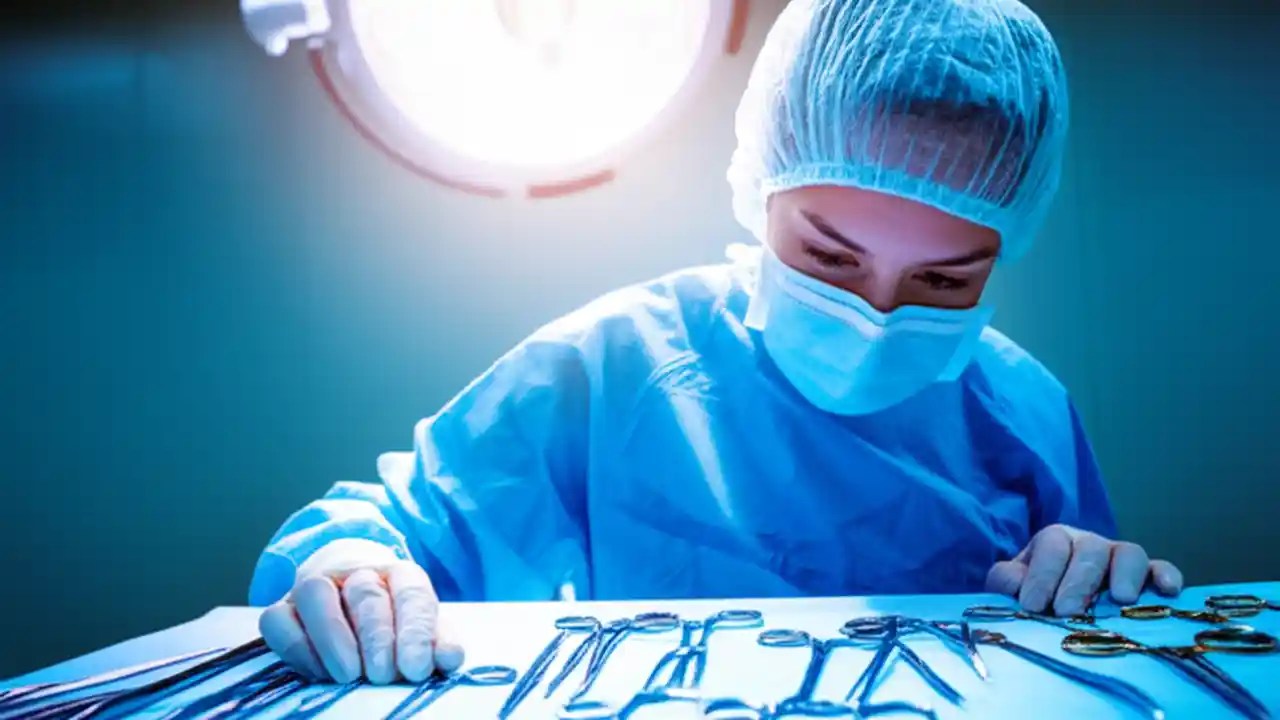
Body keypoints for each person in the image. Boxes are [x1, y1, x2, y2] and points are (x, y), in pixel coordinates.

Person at [251, 0, 1183, 684]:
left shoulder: (1026, 410)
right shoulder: (616, 364)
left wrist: (1094, 576)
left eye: (943, 282)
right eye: (828, 256)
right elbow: (387, 529)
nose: (874, 317)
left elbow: (1084, 642)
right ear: (761, 189)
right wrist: (349, 571)